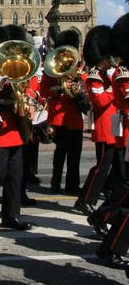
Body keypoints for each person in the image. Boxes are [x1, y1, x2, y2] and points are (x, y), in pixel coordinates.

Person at [0, 24, 34, 231]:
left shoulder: (12, 68)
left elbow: (25, 90)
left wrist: (27, 103)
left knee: (15, 175)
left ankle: (11, 215)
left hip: (13, 128)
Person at [74, 26, 121, 216]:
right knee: (102, 165)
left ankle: (109, 190)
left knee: (115, 164)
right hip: (104, 126)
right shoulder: (95, 76)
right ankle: (85, 200)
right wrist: (114, 88)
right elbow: (100, 102)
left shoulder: (109, 74)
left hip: (115, 124)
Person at [39, 29, 88, 195]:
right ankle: (55, 182)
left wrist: (79, 85)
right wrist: (59, 88)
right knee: (61, 152)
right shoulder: (52, 67)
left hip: (74, 115)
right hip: (60, 115)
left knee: (75, 154)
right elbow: (44, 89)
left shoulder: (77, 68)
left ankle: (72, 185)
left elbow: (85, 89)